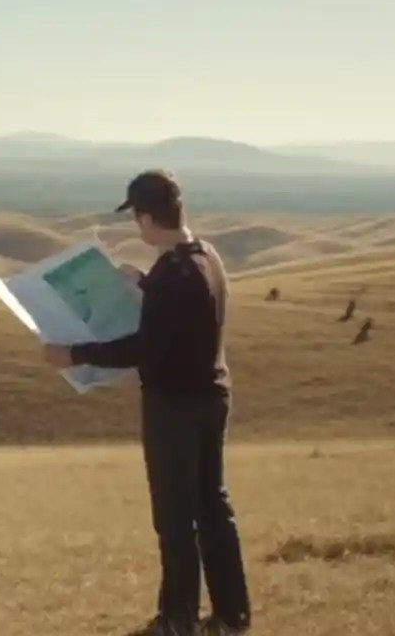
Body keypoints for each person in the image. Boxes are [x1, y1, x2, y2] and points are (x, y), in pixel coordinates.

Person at [42, 169, 252, 636]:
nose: (138, 227)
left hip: (173, 405)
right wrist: (144, 283)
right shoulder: (206, 257)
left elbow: (146, 348)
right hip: (212, 395)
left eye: (137, 218)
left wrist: (76, 354)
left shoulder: (174, 273)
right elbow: (183, 317)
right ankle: (232, 615)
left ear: (146, 218)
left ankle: (177, 619)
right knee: (212, 505)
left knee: (175, 515)